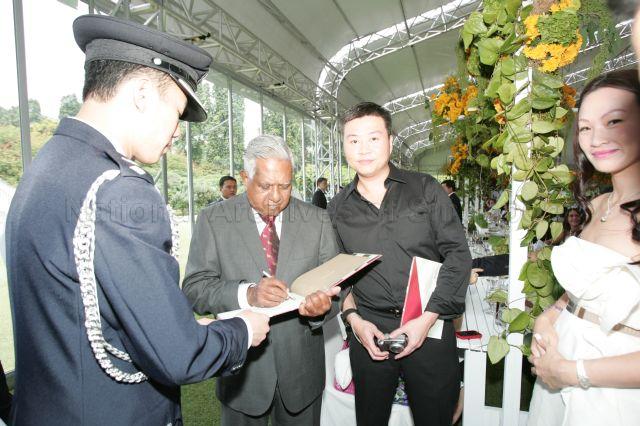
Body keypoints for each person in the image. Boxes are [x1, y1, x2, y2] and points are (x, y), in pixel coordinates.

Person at [5, 14, 270, 425]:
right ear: (143, 94)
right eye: (178, 112)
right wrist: (241, 332)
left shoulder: (49, 165)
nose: (177, 132)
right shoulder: (119, 190)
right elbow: (179, 356)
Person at [328, 102, 471, 426]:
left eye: (373, 138)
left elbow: (458, 255)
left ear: (390, 141)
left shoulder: (425, 190)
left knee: (436, 417)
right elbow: (340, 276)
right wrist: (355, 322)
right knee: (371, 418)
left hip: (429, 324)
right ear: (344, 146)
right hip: (371, 331)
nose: (363, 149)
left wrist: (427, 320)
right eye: (353, 140)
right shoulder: (338, 209)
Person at [182, 134, 340, 426]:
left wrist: (323, 308)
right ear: (245, 178)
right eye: (266, 186)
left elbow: (338, 288)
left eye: (286, 185)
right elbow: (195, 288)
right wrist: (248, 295)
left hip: (302, 373)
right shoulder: (214, 220)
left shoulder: (317, 220)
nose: (277, 196)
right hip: (242, 374)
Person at [527, 69, 640, 425]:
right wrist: (548, 318)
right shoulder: (598, 204)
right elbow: (585, 292)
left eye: (615, 120)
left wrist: (575, 372)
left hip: (611, 386)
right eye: (586, 127)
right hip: (559, 370)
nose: (596, 138)